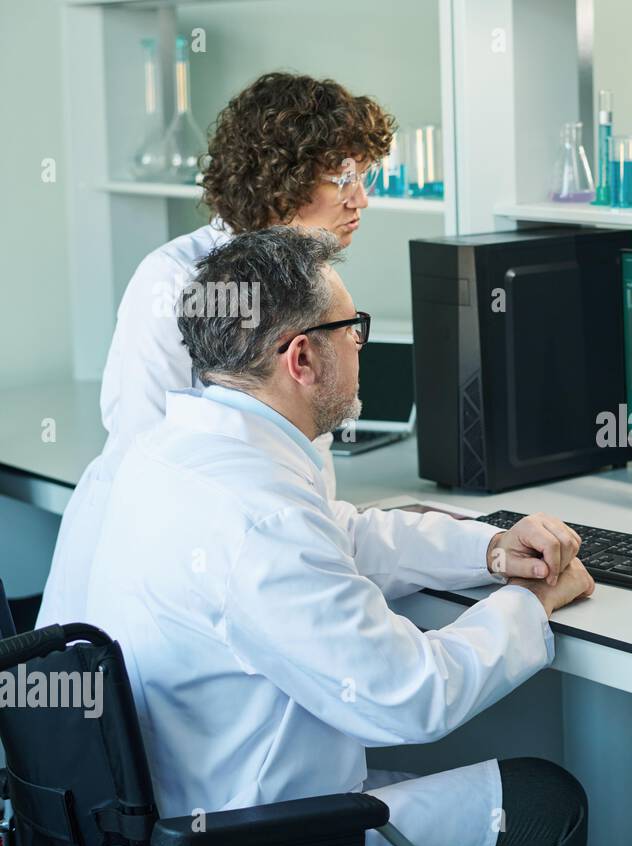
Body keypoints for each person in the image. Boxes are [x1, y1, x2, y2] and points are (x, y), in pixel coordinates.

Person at [84, 226, 595, 846]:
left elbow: (339, 533)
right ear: (301, 359)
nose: (360, 345)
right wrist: (529, 601)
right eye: (352, 329)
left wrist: (490, 548)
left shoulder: (170, 454)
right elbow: (413, 697)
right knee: (544, 801)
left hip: (191, 804)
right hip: (258, 841)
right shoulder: (260, 516)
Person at [39, 72, 392, 628]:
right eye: (342, 177)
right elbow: (146, 447)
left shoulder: (304, 278)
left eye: (364, 177)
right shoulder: (176, 280)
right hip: (172, 562)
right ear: (282, 177)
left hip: (271, 538)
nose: (360, 200)